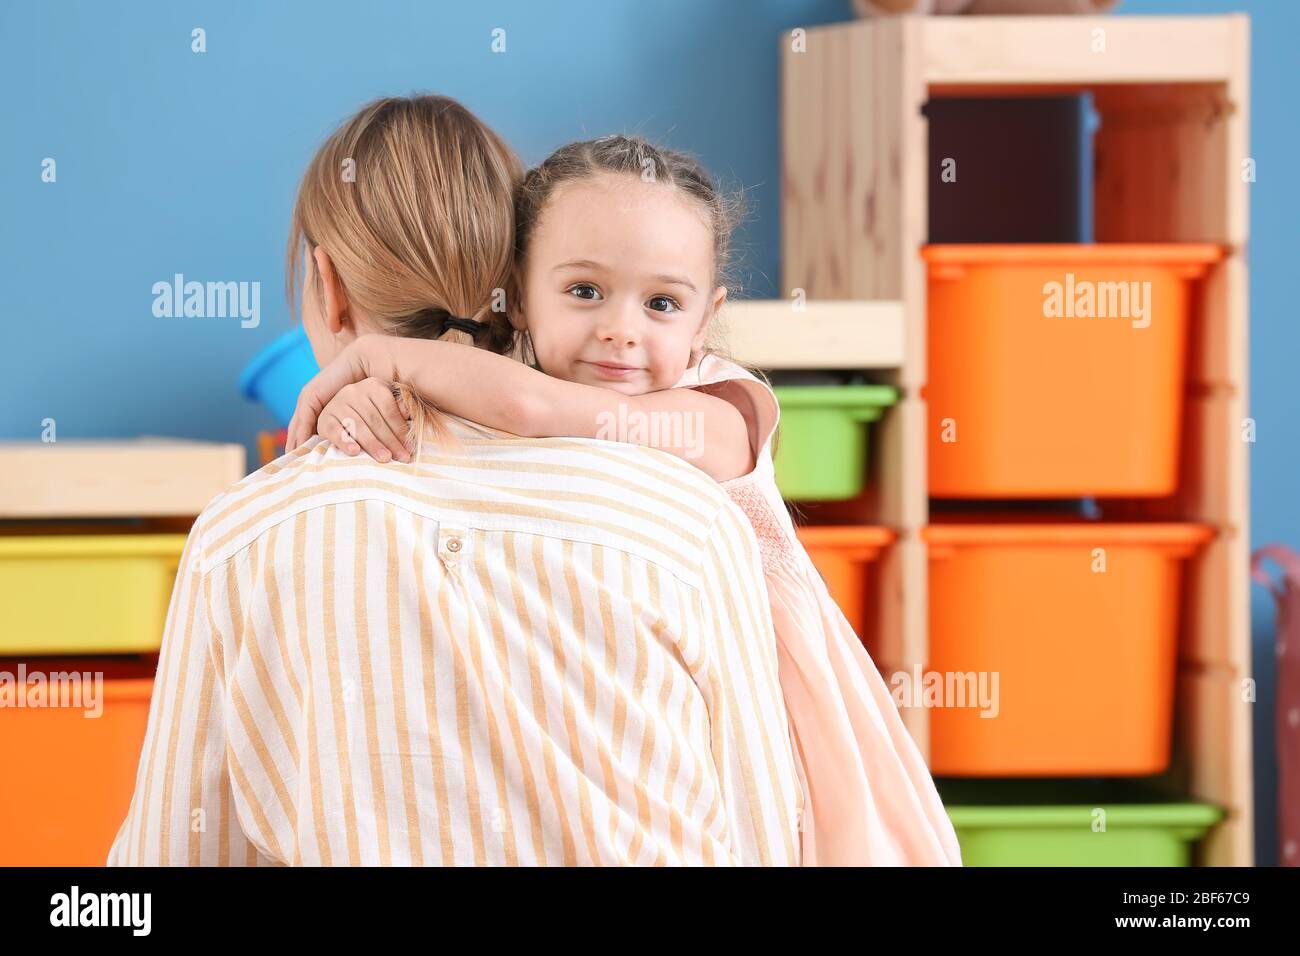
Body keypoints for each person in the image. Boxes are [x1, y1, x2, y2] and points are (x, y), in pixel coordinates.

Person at [106, 95, 802, 866]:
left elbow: (175, 855)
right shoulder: (686, 516)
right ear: (520, 282)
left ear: (327, 284)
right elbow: (765, 832)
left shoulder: (243, 538)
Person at [288, 134, 963, 866]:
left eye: (663, 303)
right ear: (514, 295)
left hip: (787, 723)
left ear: (705, 318)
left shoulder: (724, 405)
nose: (621, 330)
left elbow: (534, 409)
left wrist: (380, 358)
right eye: (584, 291)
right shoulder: (514, 380)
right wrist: (359, 401)